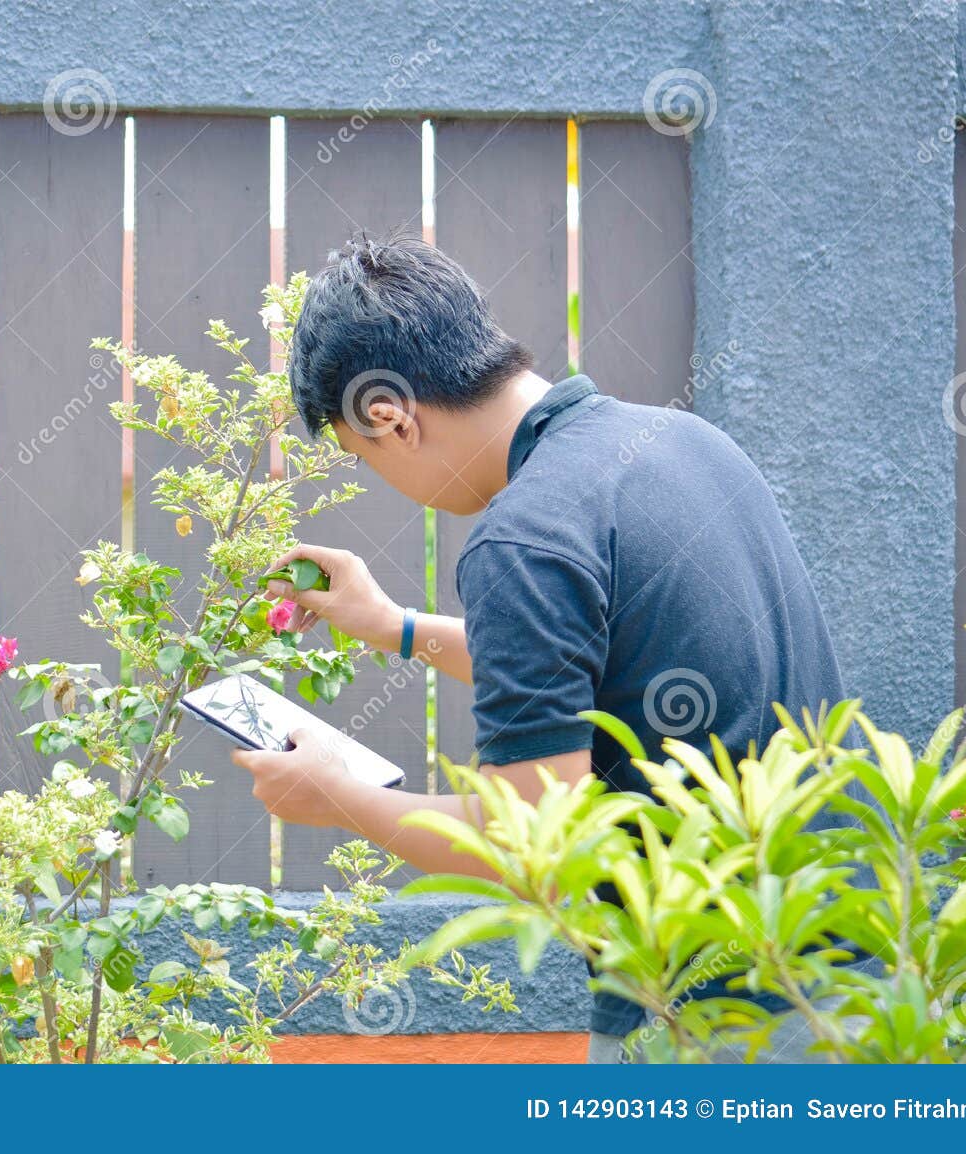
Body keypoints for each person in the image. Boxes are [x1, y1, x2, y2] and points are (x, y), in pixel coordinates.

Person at [230, 233, 845, 1062]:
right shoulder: (683, 442)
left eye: (361, 454)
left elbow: (537, 851)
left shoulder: (524, 540)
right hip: (847, 968)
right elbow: (616, 663)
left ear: (389, 415)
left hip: (711, 1023)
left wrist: (339, 798)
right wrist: (394, 627)